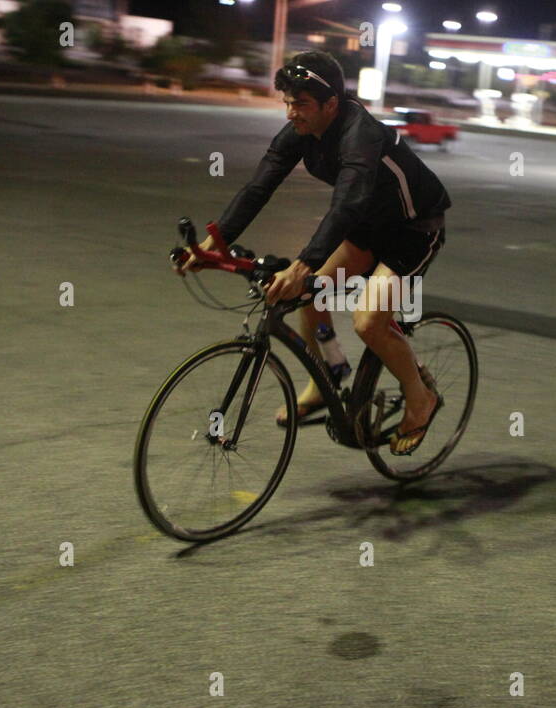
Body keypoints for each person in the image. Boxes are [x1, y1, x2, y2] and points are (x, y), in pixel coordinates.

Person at [173, 51, 451, 455]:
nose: (290, 114)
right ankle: (330, 370)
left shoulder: (361, 134)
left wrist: (303, 264)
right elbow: (257, 189)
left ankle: (420, 398)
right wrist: (211, 247)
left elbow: (347, 206)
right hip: (366, 228)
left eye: (300, 104)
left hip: (413, 230)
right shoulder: (301, 132)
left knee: (369, 321)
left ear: (331, 104)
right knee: (308, 292)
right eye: (287, 102)